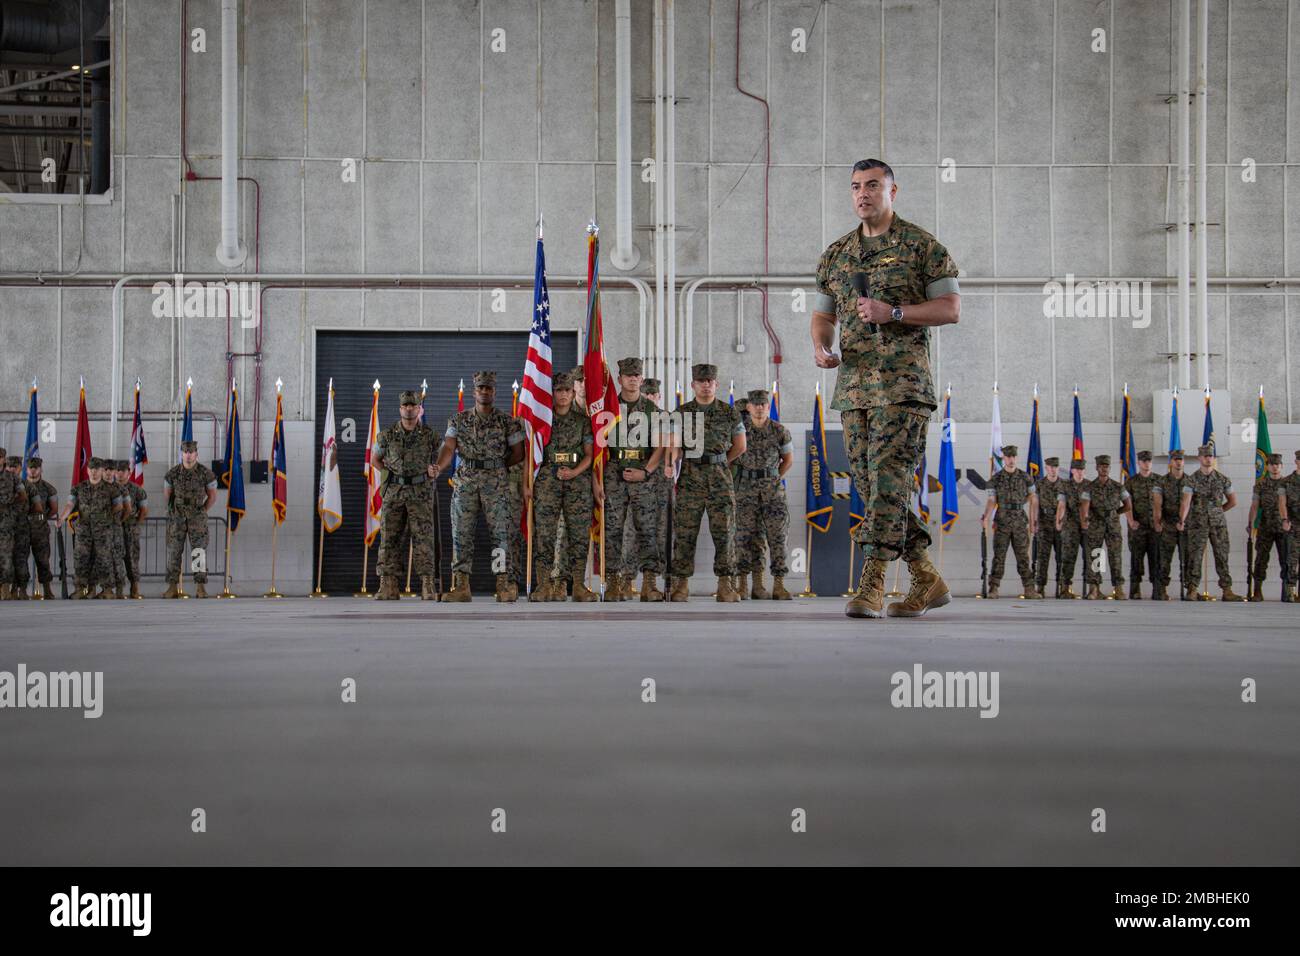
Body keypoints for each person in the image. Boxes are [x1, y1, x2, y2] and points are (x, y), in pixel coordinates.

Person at [810, 158, 960, 619]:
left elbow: (950, 308)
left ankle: (871, 583)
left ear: (893, 191)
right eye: (856, 186)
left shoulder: (922, 246)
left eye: (873, 185)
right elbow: (823, 316)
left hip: (903, 386)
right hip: (853, 387)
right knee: (875, 486)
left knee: (889, 483)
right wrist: (821, 347)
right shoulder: (835, 255)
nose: (863, 194)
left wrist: (894, 312)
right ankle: (927, 579)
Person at [435, 370, 525, 602]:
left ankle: (503, 584)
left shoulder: (507, 422)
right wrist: (439, 467)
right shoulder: (458, 420)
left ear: (494, 391)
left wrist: (495, 467)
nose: (484, 392)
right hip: (465, 483)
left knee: (500, 536)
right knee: (461, 535)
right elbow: (448, 447)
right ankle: (462, 586)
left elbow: (518, 453)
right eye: (480, 388)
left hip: (496, 485)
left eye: (489, 388)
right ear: (474, 392)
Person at [667, 363, 745, 601]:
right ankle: (681, 585)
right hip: (690, 475)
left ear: (716, 384)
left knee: (724, 532)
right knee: (685, 532)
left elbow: (740, 446)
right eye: (701, 381)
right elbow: (674, 446)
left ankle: (725, 585)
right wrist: (672, 461)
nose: (706, 384)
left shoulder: (729, 412)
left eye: (710, 381)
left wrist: (719, 461)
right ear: (693, 385)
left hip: (720, 477)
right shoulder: (680, 413)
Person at [527, 372, 598, 602]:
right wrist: (526, 484)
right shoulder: (543, 421)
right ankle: (543, 585)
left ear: (573, 392)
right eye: (559, 390)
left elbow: (590, 455)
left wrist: (574, 472)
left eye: (568, 390)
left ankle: (578, 586)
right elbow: (532, 455)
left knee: (578, 535)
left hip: (577, 482)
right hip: (548, 480)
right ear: (553, 393)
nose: (564, 395)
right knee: (545, 535)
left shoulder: (583, 421)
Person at [601, 358, 667, 602]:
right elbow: (599, 446)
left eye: (636, 375)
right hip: (614, 473)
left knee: (647, 530)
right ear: (619, 379)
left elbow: (660, 447)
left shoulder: (653, 411)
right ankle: (613, 583)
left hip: (643, 473)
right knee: (613, 530)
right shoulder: (608, 408)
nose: (632, 379)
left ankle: (649, 583)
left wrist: (646, 472)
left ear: (641, 379)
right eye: (627, 375)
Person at [373, 390, 441, 601]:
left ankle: (427, 584)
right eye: (406, 406)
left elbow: (438, 460)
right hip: (394, 492)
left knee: (424, 539)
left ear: (419, 409)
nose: (409, 409)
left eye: (413, 405)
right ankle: (388, 585)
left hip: (420, 492)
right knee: (389, 538)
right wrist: (390, 474)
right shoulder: (386, 435)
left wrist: (433, 469)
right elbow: (375, 460)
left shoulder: (431, 435)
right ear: (400, 408)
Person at [1177, 444, 1244, 602]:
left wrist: (1217, 512)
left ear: (1213, 458)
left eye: (1211, 456)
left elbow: (1233, 501)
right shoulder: (1191, 480)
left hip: (1218, 525)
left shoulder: (1222, 479)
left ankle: (1227, 590)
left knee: (1222, 556)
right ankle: (1192, 590)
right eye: (1205, 456)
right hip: (1197, 524)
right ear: (1200, 458)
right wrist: (1181, 520)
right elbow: (1185, 503)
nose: (1208, 459)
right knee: (1195, 557)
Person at [980, 445, 1040, 599]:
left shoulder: (1026, 477)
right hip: (1002, 523)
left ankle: (1029, 589)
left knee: (1023, 557)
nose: (1011, 460)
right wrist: (986, 516)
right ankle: (993, 588)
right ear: (1004, 459)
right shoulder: (996, 479)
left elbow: (1033, 499)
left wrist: (1033, 521)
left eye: (1013, 457)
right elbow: (992, 501)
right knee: (999, 556)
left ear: (1016, 458)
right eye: (1008, 457)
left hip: (1020, 522)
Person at [59, 456, 121, 599]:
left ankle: (107, 589)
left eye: (97, 469)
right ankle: (80, 588)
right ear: (87, 470)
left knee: (104, 558)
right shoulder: (78, 488)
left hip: (103, 530)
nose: (93, 472)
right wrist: (62, 517)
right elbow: (70, 504)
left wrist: (108, 517)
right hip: (84, 530)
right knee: (81, 558)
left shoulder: (111, 489)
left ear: (101, 470)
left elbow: (119, 506)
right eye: (91, 469)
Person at [162, 440, 217, 598]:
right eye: (185, 452)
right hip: (177, 518)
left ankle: (200, 587)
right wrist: (175, 511)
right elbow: (167, 495)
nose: (188, 455)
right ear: (181, 454)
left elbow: (212, 497)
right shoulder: (172, 473)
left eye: (191, 452)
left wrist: (201, 511)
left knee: (198, 552)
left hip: (197, 518)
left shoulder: (205, 473)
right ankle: (172, 587)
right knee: (174, 552)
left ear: (196, 454)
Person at [1079, 454, 1131, 599]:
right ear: (1097, 468)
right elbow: (1084, 506)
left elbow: (1128, 506)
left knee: (1116, 556)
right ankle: (1095, 588)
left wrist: (1114, 513)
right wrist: (1086, 520)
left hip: (1113, 526)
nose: (1104, 469)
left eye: (1106, 466)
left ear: (1109, 468)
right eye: (1101, 466)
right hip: (1096, 525)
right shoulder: (1089, 487)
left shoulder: (1118, 487)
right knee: (1097, 556)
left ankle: (1118, 588)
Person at [1247, 453, 1288, 601]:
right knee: (1261, 560)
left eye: (1277, 464)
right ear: (1267, 467)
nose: (1275, 467)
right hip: (1265, 527)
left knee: (1286, 560)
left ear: (1281, 466)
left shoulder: (1288, 483)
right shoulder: (1260, 485)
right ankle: (1257, 590)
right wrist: (1251, 523)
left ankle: (1287, 590)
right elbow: (1254, 506)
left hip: (1284, 528)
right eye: (1271, 464)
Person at [1151, 449, 1189, 600]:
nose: (1178, 462)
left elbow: (1192, 503)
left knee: (1188, 559)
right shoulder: (1161, 481)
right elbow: (1157, 504)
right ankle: (1161, 590)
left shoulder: (1191, 481)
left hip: (1186, 526)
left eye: (1180, 459)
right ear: (1170, 462)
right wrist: (1157, 522)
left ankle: (1189, 589)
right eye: (1175, 459)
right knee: (1164, 560)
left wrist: (1183, 521)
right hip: (1167, 525)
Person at [1124, 450, 1161, 599]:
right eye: (1144, 461)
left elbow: (1162, 503)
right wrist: (1131, 521)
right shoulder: (1131, 482)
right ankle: (1135, 589)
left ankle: (1157, 590)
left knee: (1156, 559)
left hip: (1154, 527)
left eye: (1149, 461)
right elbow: (1127, 503)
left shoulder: (1160, 481)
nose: (1147, 463)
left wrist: (1160, 522)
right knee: (1136, 560)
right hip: (1137, 528)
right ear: (1138, 463)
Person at [1054, 458, 1089, 599]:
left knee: (1095, 556)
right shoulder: (1065, 485)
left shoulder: (1090, 485)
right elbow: (1061, 505)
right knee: (1068, 557)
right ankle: (1065, 587)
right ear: (1072, 471)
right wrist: (1059, 521)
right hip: (1071, 525)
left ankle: (1095, 587)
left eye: (1082, 469)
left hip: (1088, 526)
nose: (1080, 472)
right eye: (1077, 469)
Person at [24, 457, 58, 600]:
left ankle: (47, 589)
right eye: (31, 467)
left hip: (40, 529)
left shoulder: (48, 488)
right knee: (20, 560)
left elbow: (54, 509)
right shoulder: (20, 486)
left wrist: (41, 517)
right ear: (26, 469)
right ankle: (20, 590)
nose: (33, 470)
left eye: (36, 467)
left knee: (43, 560)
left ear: (41, 469)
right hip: (22, 528)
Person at [1033, 457, 1064, 596]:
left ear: (1058, 468)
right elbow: (1035, 504)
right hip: (1044, 523)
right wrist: (1034, 521)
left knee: (1062, 557)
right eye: (1050, 467)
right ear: (1046, 468)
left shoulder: (1065, 484)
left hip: (1061, 525)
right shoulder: (1039, 484)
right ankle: (1040, 587)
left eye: (1055, 467)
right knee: (1042, 557)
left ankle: (1063, 587)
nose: (1053, 469)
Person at [117, 461, 148, 599]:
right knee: (115, 559)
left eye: (123, 471)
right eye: (118, 471)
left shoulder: (137, 490)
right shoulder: (110, 488)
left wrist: (135, 525)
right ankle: (118, 589)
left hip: (130, 528)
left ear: (129, 473)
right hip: (115, 528)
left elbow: (143, 511)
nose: (120, 474)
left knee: (132, 559)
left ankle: (134, 587)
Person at [5, 456, 31, 599]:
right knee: (4, 560)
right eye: (10, 466)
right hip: (4, 530)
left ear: (21, 468)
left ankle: (20, 589)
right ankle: (5, 590)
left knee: (20, 560)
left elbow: (37, 508)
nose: (12, 469)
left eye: (15, 466)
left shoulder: (28, 487)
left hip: (21, 529)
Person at [0, 446, 20, 600]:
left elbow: (22, 496)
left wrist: (10, 502)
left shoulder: (12, 477)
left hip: (6, 523)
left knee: (6, 556)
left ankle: (5, 588)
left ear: (4, 459)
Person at [1282, 451, 1300, 601]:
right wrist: (1284, 519)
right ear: (1296, 461)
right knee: (1291, 560)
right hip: (1294, 525)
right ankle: (1290, 591)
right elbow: (1282, 502)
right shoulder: (1287, 481)